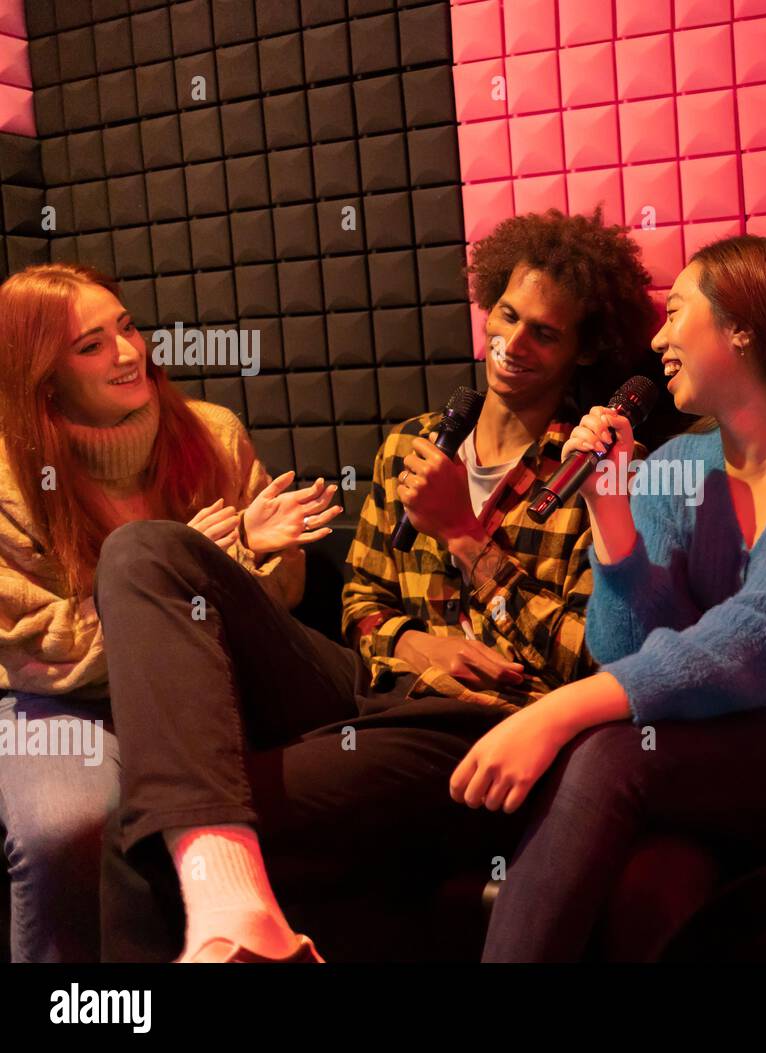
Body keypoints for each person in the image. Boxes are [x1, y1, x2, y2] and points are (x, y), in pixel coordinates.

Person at [95, 208, 659, 962]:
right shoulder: (414, 443)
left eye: (544, 333)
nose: (512, 343)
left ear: (582, 348)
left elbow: (591, 661)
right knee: (145, 551)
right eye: (507, 315)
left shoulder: (600, 469)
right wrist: (417, 641)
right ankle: (232, 909)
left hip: (487, 728)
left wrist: (465, 535)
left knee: (143, 825)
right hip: (376, 686)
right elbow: (360, 602)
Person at [454, 235, 766, 962]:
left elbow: (764, 638)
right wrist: (611, 517)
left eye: (675, 315)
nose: (660, 338)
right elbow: (628, 650)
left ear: (743, 326)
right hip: (712, 742)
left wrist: (559, 710)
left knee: (609, 755)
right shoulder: (676, 463)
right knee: (653, 886)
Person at [0, 263, 333, 962]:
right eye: (90, 345)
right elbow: (36, 643)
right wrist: (166, 577)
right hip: (59, 697)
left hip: (204, 688)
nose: (128, 353)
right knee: (68, 827)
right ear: (43, 376)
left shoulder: (212, 432)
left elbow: (279, 600)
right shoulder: (7, 478)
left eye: (126, 327)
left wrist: (224, 562)